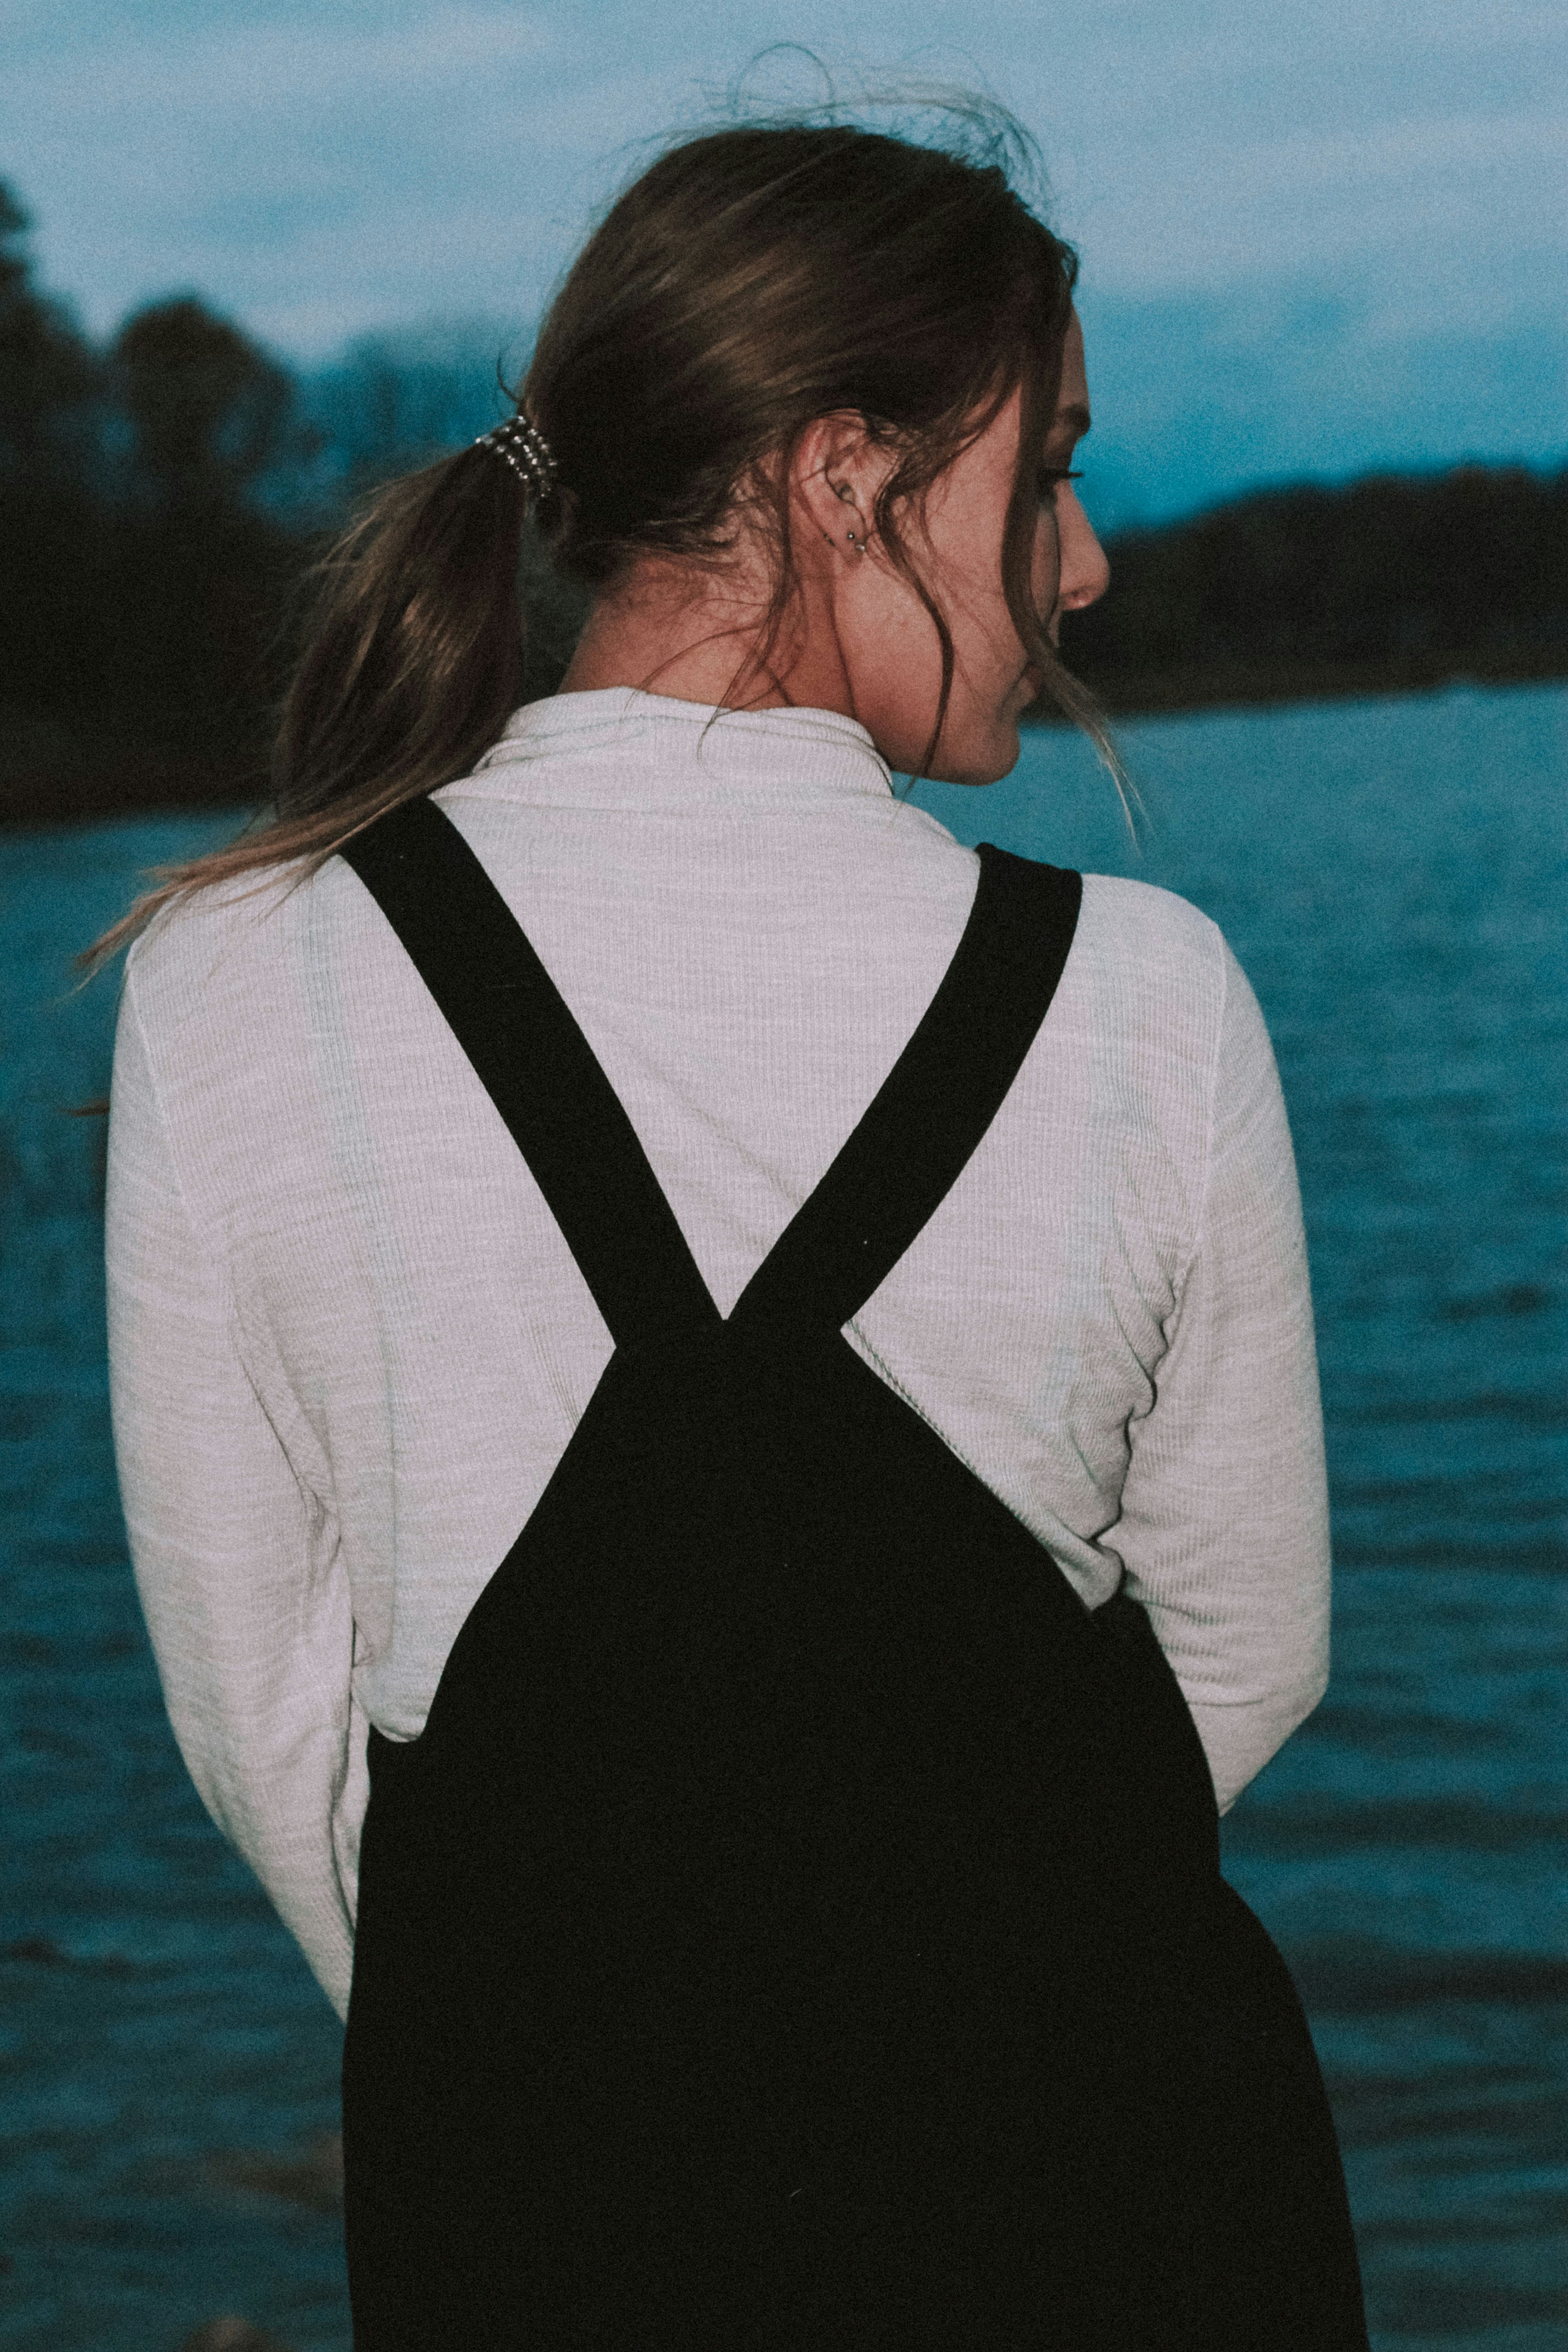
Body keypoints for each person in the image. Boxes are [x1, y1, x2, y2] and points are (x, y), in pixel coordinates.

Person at [104, 114, 1367, 2348]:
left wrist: (564, 2032)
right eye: (1047, 469)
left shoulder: (239, 972)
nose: (1079, 568)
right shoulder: (1144, 996)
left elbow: (261, 1714)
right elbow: (1249, 1646)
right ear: (844, 477)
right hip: (1121, 2181)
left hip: (537, 2181)